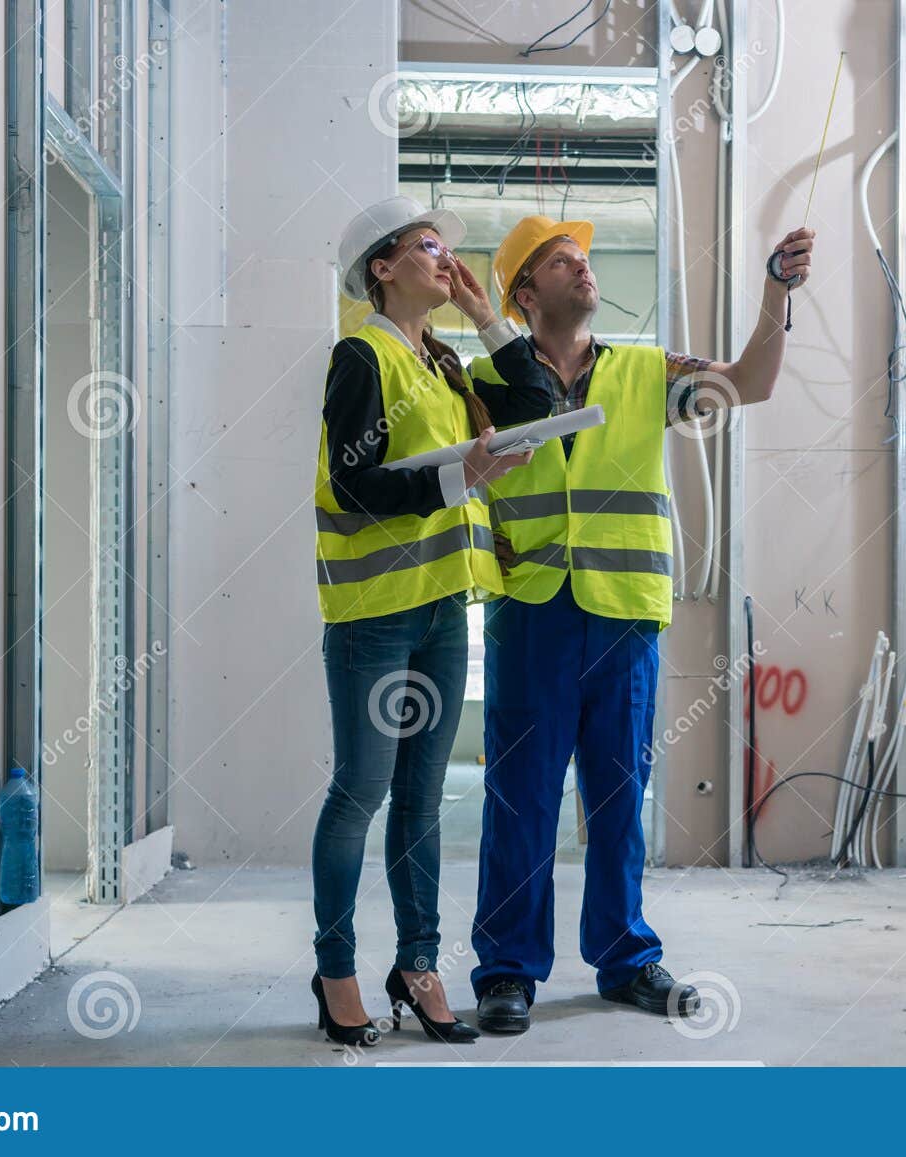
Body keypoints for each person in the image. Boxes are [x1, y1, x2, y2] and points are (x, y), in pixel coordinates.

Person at [466, 214, 815, 1034]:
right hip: (530, 610)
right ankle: (507, 969)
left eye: (584, 258)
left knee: (619, 795)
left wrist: (775, 290)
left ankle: (624, 956)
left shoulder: (645, 372)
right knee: (520, 798)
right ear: (523, 294)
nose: (583, 268)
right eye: (561, 261)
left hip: (623, 615)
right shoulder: (487, 381)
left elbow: (753, 382)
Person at [309, 196, 545, 1047]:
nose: (445, 260)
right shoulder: (361, 355)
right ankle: (335, 969)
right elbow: (355, 480)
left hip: (444, 611)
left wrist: (486, 312)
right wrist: (459, 479)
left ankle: (416, 966)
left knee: (422, 799)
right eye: (427, 246)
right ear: (382, 266)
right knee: (361, 792)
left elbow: (532, 392)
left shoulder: (442, 362)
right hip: (374, 616)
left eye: (449, 249)